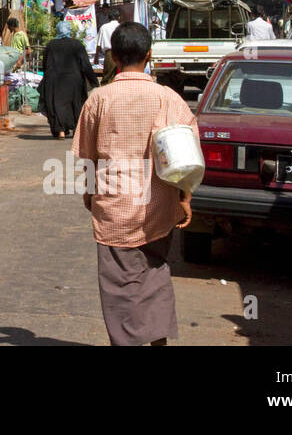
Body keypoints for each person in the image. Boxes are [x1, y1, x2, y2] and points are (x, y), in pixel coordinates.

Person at [74, 22, 197, 346]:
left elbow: (87, 156)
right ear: (149, 55)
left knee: (119, 286)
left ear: (113, 56)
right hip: (158, 207)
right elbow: (185, 155)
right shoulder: (168, 99)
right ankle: (158, 342)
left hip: (113, 207)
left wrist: (90, 193)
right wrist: (184, 198)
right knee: (154, 274)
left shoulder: (98, 99)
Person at [38, 20, 98, 140]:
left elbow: (45, 65)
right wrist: (93, 80)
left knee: (56, 105)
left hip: (54, 80)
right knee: (75, 104)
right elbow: (85, 64)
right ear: (69, 30)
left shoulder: (51, 45)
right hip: (74, 80)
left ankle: (60, 131)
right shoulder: (77, 45)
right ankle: (76, 129)